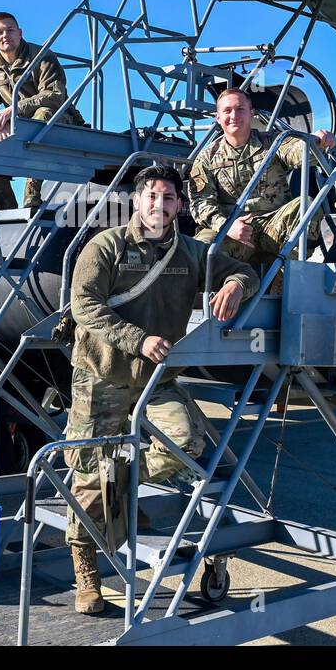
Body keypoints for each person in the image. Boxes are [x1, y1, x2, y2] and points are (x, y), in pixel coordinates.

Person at [64, 164, 257, 614]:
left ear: (179, 205)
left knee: (185, 443)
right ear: (137, 200)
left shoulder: (191, 252)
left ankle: (123, 485)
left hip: (156, 380)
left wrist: (233, 284)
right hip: (104, 374)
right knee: (90, 475)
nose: (159, 204)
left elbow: (242, 271)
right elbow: (83, 305)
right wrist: (138, 338)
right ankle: (86, 573)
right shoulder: (107, 246)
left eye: (168, 197)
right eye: (151, 195)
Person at [187, 87, 336, 266]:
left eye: (240, 109)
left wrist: (316, 142)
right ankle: (214, 292)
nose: (234, 115)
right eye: (227, 111)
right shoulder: (206, 158)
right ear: (218, 118)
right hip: (232, 229)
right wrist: (227, 226)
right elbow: (200, 204)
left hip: (273, 225)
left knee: (306, 205)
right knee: (200, 250)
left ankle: (282, 282)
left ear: (251, 114)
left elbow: (297, 152)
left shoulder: (274, 142)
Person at [0, 11, 87, 211]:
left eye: (10, 30)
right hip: (15, 124)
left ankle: (32, 194)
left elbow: (54, 95)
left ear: (20, 32)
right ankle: (3, 198)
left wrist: (11, 111)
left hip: (57, 121)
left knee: (43, 115)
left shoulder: (42, 56)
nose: (5, 35)